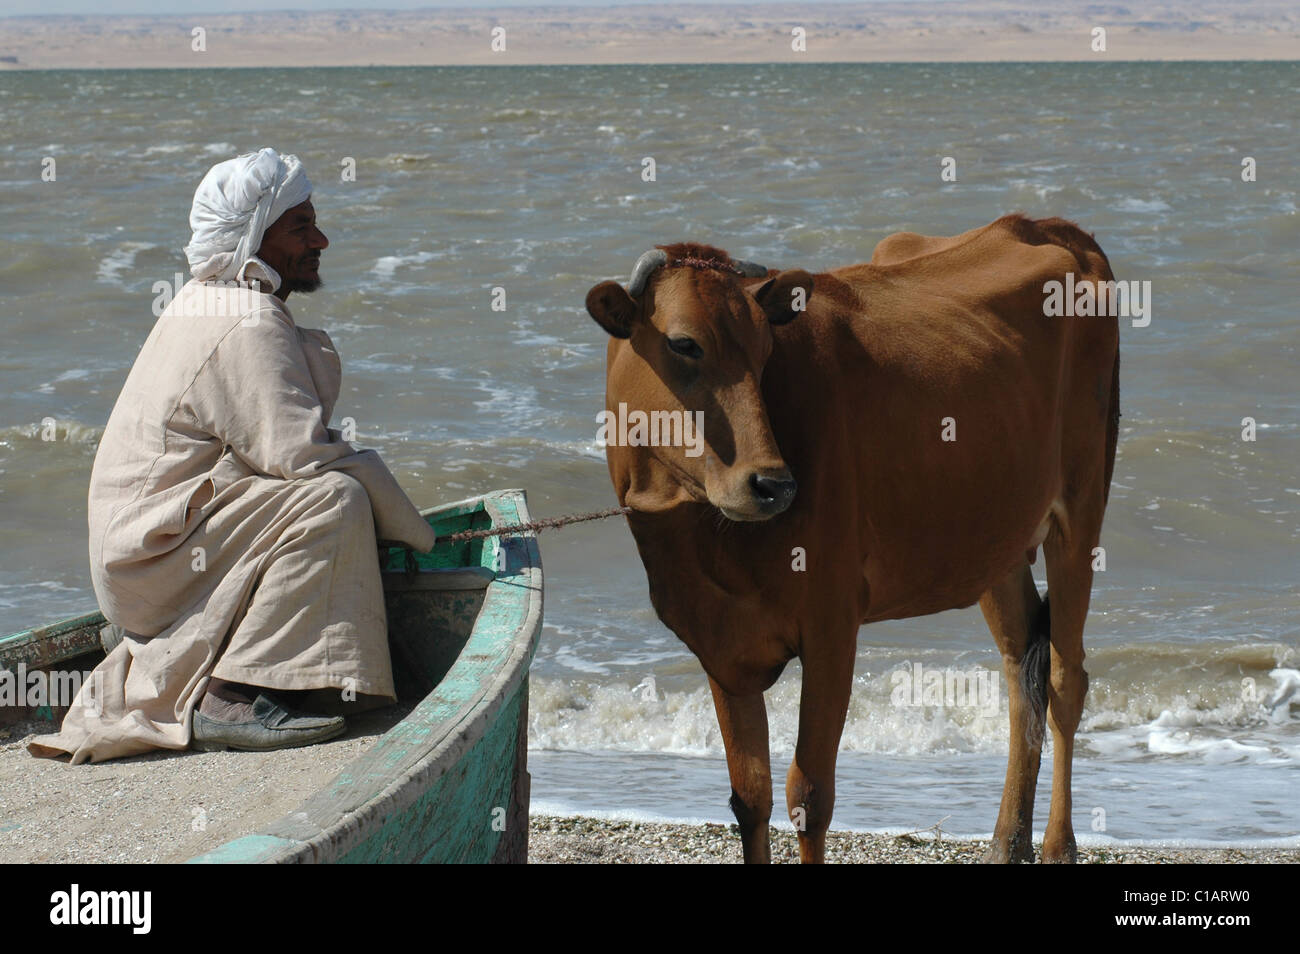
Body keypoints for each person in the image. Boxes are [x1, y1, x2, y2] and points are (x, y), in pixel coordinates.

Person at [29, 148, 435, 764]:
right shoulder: (245, 319)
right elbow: (307, 458)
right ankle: (232, 697)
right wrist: (418, 536)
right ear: (253, 235)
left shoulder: (207, 299)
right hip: (151, 563)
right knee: (333, 500)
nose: (320, 239)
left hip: (143, 555)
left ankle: (200, 648)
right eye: (300, 227)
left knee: (325, 495)